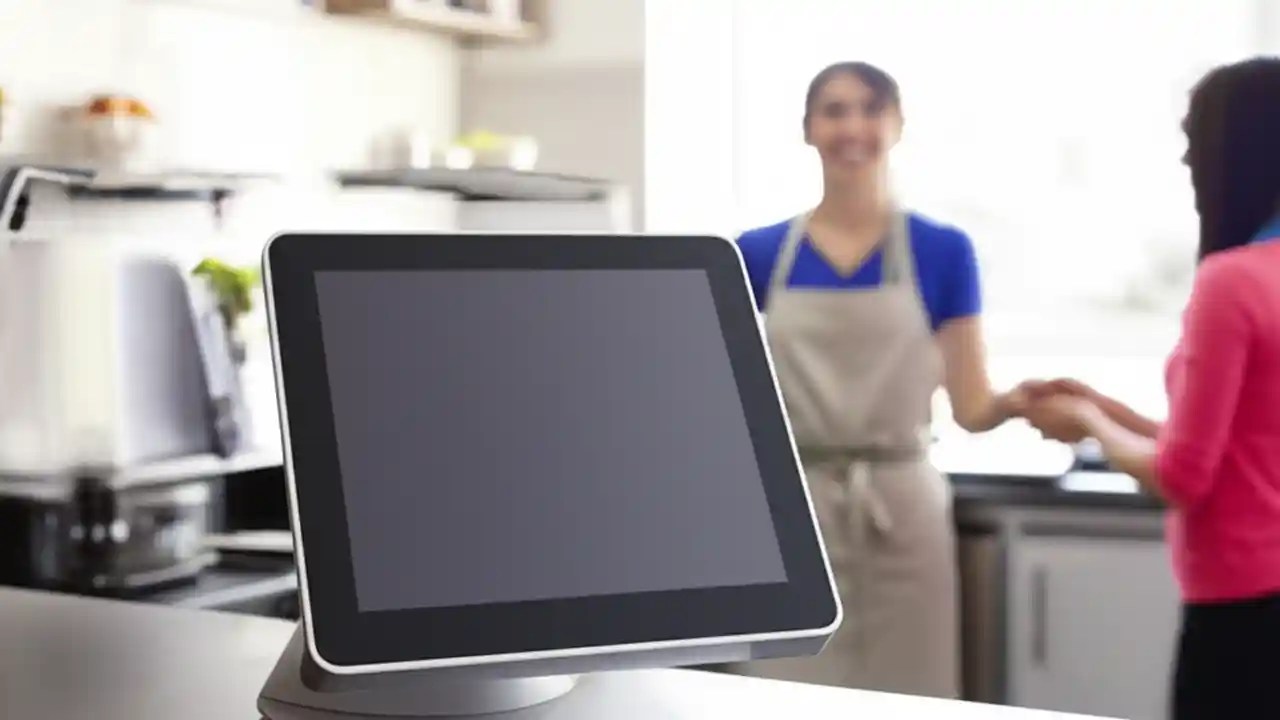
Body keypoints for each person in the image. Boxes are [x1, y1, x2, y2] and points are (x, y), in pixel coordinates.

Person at [726, 61, 1035, 698]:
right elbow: (726, 402)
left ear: (897, 125)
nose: (853, 127)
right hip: (793, 511)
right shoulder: (754, 254)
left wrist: (1036, 405)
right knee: (786, 697)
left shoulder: (943, 251)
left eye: (870, 109)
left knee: (911, 695)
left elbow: (972, 406)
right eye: (834, 110)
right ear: (808, 129)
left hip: (902, 506)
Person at [1024, 57, 1280, 720]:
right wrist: (1107, 407)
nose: (1187, 159)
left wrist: (1085, 421)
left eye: (1194, 138)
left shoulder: (1232, 282)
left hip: (1244, 608)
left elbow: (1184, 476)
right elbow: (1241, 442)